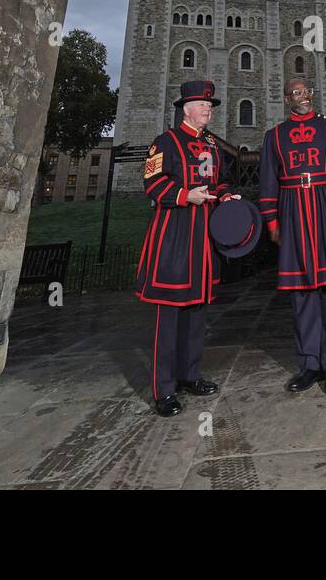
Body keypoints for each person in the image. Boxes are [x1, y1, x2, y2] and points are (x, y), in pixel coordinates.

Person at [135, 80, 240, 416]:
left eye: (210, 105)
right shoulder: (165, 141)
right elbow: (153, 183)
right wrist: (184, 195)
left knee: (197, 312)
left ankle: (190, 375)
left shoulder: (211, 144)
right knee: (169, 315)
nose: (208, 109)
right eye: (202, 105)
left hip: (204, 237)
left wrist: (225, 195)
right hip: (175, 234)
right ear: (186, 109)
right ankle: (164, 390)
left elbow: (220, 180)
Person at [258, 77, 326, 394]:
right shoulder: (274, 136)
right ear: (287, 99)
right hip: (293, 211)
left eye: (305, 92)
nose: (301, 97)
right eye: (295, 93)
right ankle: (309, 365)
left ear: (312, 95)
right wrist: (272, 221)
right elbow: (268, 183)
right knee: (302, 293)